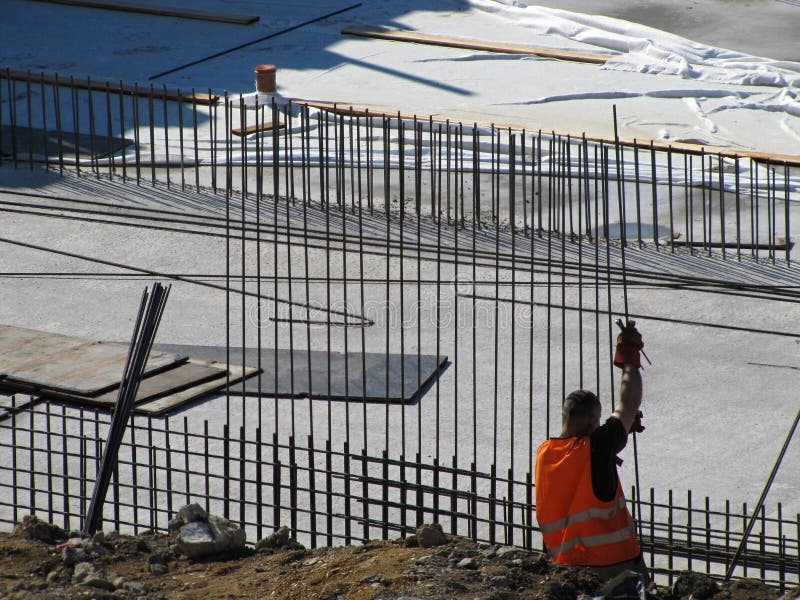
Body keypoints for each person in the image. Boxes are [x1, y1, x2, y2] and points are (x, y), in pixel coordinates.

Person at [534, 321, 649, 583]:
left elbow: (582, 473)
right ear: (591, 421)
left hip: (567, 570)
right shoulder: (595, 447)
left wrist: (621, 431)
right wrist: (629, 358)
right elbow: (629, 401)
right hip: (614, 568)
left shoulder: (545, 453)